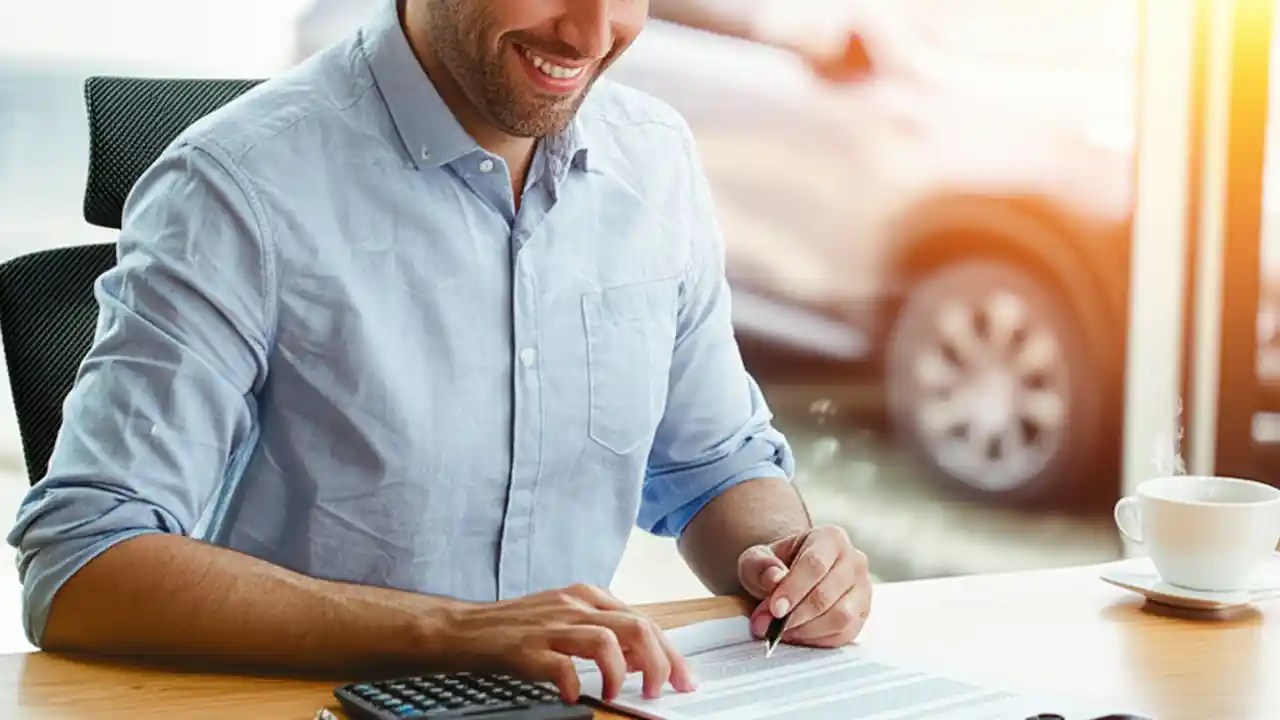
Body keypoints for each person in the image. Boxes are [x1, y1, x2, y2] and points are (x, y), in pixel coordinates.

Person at [7, 0, 872, 703]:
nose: (590, 30)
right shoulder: (235, 187)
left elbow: (714, 465)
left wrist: (791, 567)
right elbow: (84, 562)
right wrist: (455, 633)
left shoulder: (655, 159)